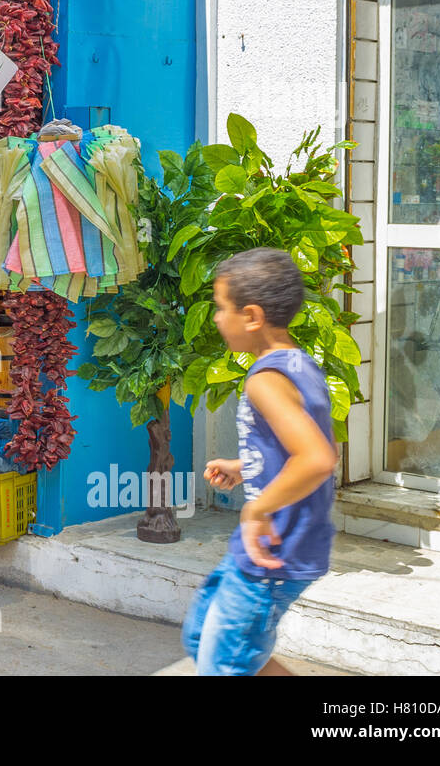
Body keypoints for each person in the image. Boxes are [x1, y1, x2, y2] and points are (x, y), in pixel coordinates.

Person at [182, 248, 339, 675]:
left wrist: (257, 507)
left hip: (274, 550)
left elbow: (318, 458)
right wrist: (245, 465)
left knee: (224, 664)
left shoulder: (266, 381)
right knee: (203, 637)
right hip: (272, 546)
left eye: (220, 308)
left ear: (251, 316)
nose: (215, 318)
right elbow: (316, 447)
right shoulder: (300, 364)